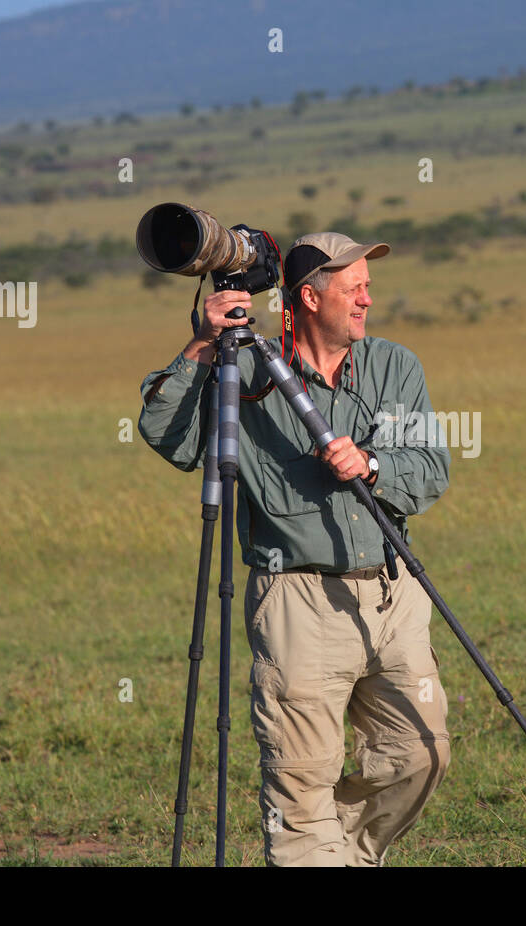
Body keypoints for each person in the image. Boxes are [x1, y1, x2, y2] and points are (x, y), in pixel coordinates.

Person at [137, 232, 451, 866]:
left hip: (393, 592)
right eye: (353, 287)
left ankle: (341, 852)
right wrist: (202, 345)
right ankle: (310, 845)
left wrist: (372, 464)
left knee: (422, 751)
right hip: (296, 601)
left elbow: (432, 469)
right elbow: (171, 439)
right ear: (308, 297)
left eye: (368, 285)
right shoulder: (243, 369)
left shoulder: (396, 366)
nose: (367, 298)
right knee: (301, 772)